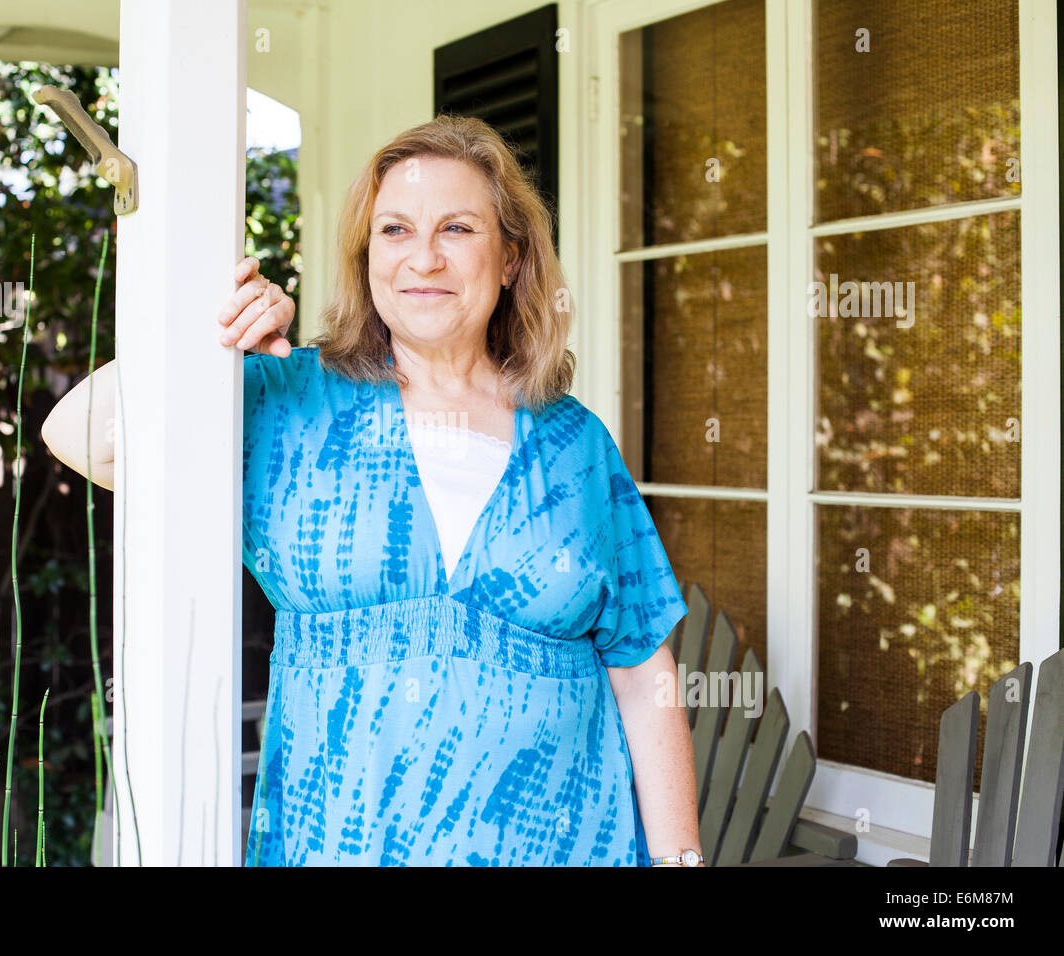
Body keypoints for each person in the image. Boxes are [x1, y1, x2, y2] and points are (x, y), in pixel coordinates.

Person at [42, 114, 702, 867]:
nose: (424, 256)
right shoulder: (288, 401)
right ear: (366, 258)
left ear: (511, 258)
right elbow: (80, 434)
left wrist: (683, 861)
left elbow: (642, 669)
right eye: (395, 230)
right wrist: (208, 335)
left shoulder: (574, 442)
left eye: (457, 228)